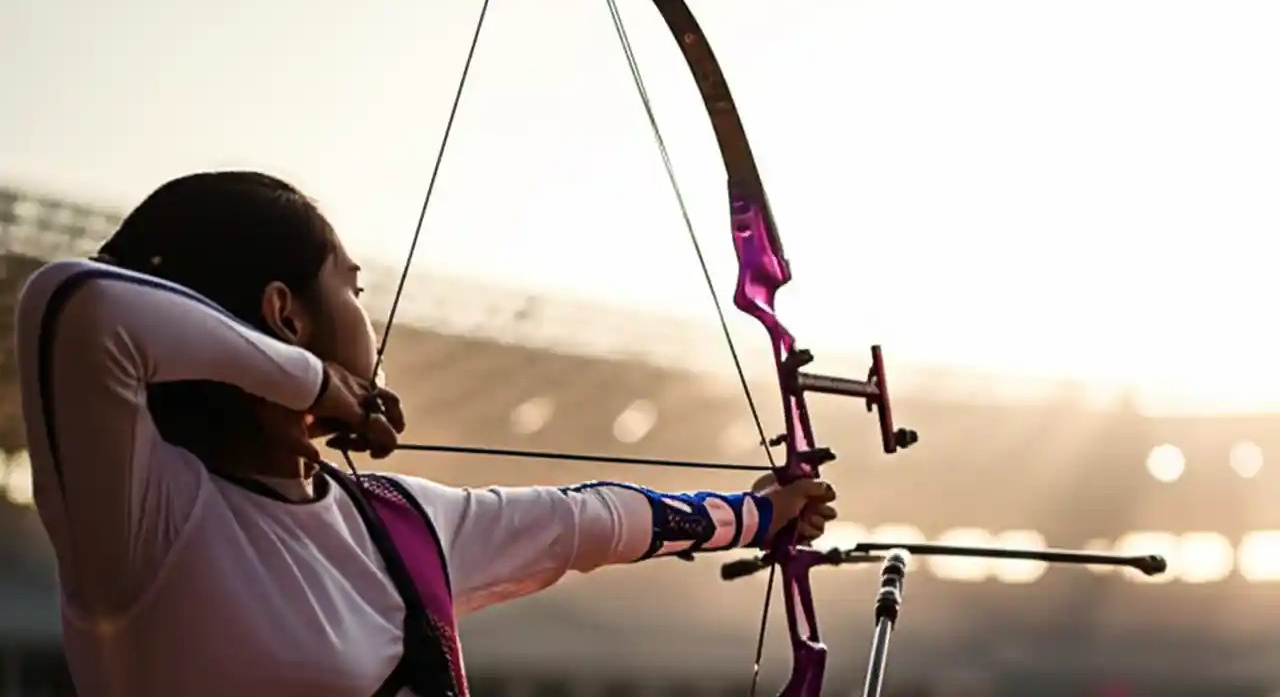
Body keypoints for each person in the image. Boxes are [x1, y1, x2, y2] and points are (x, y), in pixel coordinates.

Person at [14, 171, 838, 697]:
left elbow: (590, 519)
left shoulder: (395, 519)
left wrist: (758, 516)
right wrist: (315, 380)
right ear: (283, 312)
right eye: (353, 287)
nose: (366, 318)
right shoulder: (142, 520)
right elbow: (74, 304)